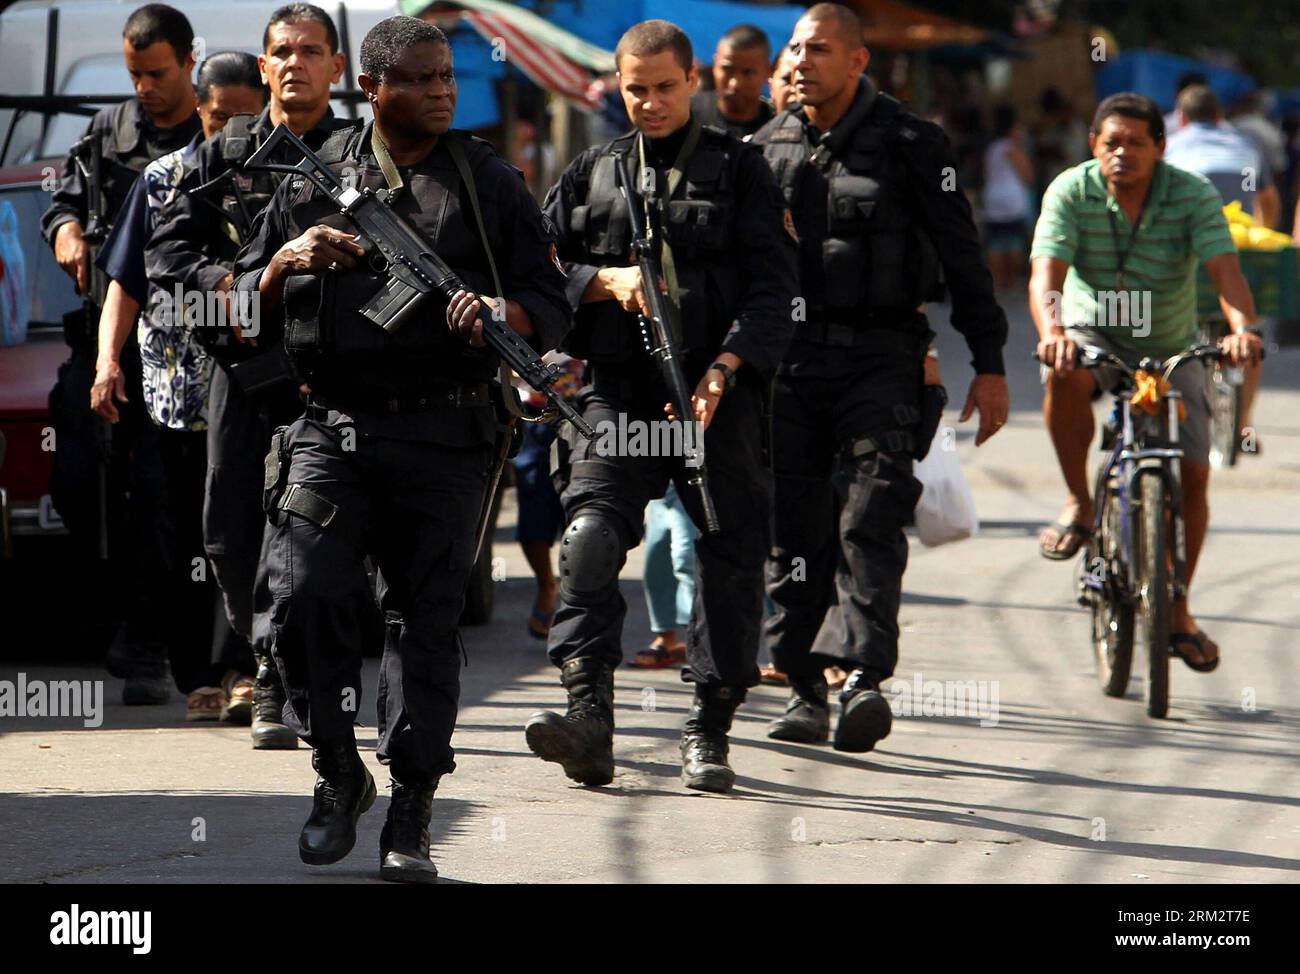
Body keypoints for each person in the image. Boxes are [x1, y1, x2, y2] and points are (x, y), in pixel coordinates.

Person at [230, 15, 570, 881]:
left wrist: (502, 314)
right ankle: (337, 773)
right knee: (305, 597)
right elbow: (231, 308)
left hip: (447, 432)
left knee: (423, 624)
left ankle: (412, 806)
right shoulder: (314, 179)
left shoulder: (486, 180)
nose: (442, 91)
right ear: (373, 89)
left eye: (447, 77)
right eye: (420, 79)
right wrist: (283, 263)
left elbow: (550, 297)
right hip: (332, 426)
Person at [529, 18, 798, 793]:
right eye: (635, 88)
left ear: (694, 84)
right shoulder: (592, 169)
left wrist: (726, 366)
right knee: (588, 536)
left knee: (728, 557)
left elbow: (775, 289)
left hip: (718, 399)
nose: (649, 102)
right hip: (620, 394)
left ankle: (709, 727)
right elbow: (540, 268)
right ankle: (589, 718)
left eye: (665, 87)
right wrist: (598, 282)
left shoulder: (741, 171)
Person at [752, 3, 1009, 753]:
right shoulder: (763, 147)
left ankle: (862, 677)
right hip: (791, 365)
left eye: (819, 49)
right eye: (794, 48)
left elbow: (964, 262)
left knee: (869, 514)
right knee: (793, 528)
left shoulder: (914, 144)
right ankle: (803, 688)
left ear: (858, 62)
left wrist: (988, 366)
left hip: (883, 357)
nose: (801, 61)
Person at [146, 2, 357, 748]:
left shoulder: (361, 155)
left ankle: (277, 677)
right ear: (263, 66)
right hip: (241, 371)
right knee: (230, 538)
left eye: (310, 50)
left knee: (307, 537)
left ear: (337, 67)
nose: (295, 62)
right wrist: (245, 280)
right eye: (281, 51)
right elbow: (166, 264)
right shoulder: (223, 152)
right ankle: (269, 654)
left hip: (329, 378)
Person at [1029, 92, 1263, 671]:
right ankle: (1080, 505)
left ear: (1161, 147)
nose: (1122, 154)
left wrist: (1241, 330)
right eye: (1111, 142)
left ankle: (1179, 610)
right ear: (1093, 146)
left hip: (1171, 342)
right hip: (1092, 331)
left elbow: (1225, 271)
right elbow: (1046, 275)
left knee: (1195, 476)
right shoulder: (1069, 190)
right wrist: (1054, 331)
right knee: (1062, 374)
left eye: (1137, 143)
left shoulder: (1192, 194)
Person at [93, 52, 267, 722]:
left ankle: (248, 671)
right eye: (218, 115)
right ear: (201, 108)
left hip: (254, 392)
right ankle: (198, 674)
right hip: (174, 398)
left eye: (242, 117)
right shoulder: (163, 180)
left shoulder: (280, 181)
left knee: (247, 531)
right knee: (184, 542)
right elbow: (126, 283)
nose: (229, 130)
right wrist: (109, 363)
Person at [41, 3, 203, 705]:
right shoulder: (109, 132)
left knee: (158, 502)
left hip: (181, 351)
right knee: (75, 482)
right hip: (107, 345)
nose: (145, 86)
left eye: (157, 73)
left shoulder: (215, 133)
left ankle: (149, 646)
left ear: (189, 62)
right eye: (135, 73)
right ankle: (120, 621)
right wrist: (67, 230)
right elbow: (59, 201)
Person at [631, 483, 694, 668]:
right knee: (657, 563)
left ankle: (700, 641)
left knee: (686, 560)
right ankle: (666, 639)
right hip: (662, 480)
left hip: (696, 476)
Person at [690, 24, 775, 140]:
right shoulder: (686, 115)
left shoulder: (779, 128)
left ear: (767, 72)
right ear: (715, 65)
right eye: (727, 70)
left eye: (748, 73)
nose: (735, 84)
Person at [982, 105, 1033, 291]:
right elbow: (1028, 175)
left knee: (996, 242)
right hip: (1011, 201)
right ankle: (1010, 281)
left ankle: (998, 281)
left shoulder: (991, 148)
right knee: (1014, 242)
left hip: (993, 199)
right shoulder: (1012, 148)